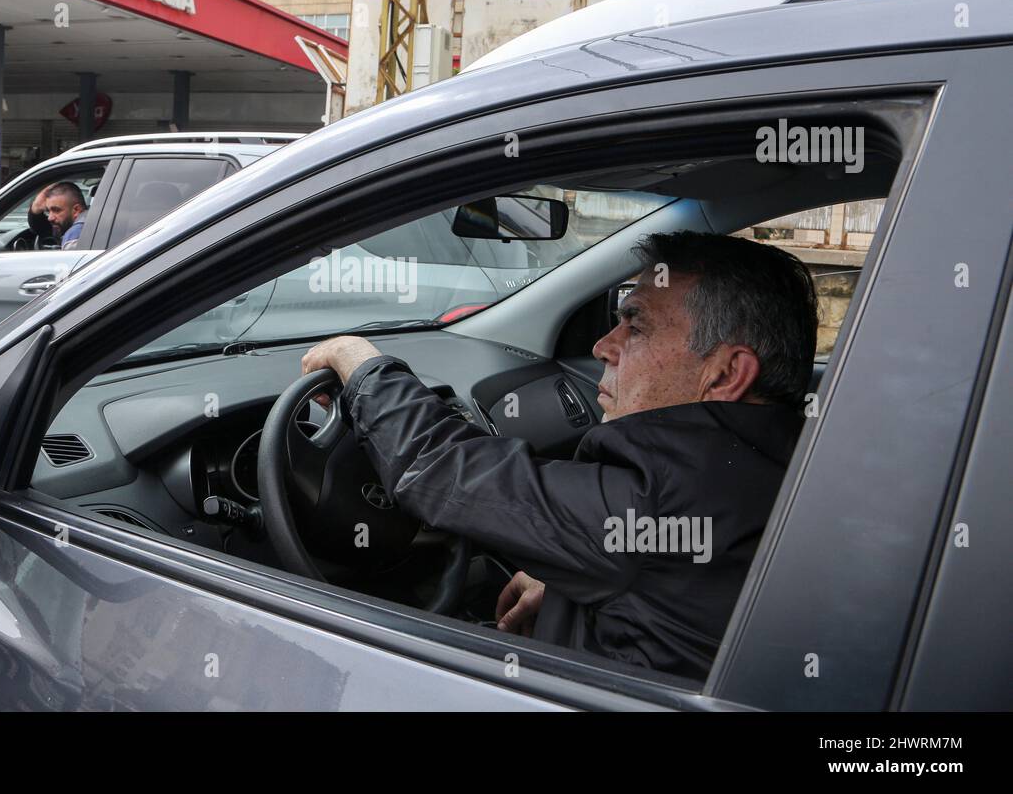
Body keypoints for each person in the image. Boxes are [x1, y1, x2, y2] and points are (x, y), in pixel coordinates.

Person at [301, 230, 817, 680]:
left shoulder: (665, 495)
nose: (602, 346)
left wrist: (360, 362)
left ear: (726, 374)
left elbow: (440, 469)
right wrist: (577, 578)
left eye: (635, 326)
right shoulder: (787, 461)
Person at [43, 182, 88, 249]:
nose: (50, 218)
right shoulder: (93, 218)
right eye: (48, 211)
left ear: (76, 210)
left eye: (56, 210)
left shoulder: (73, 237)